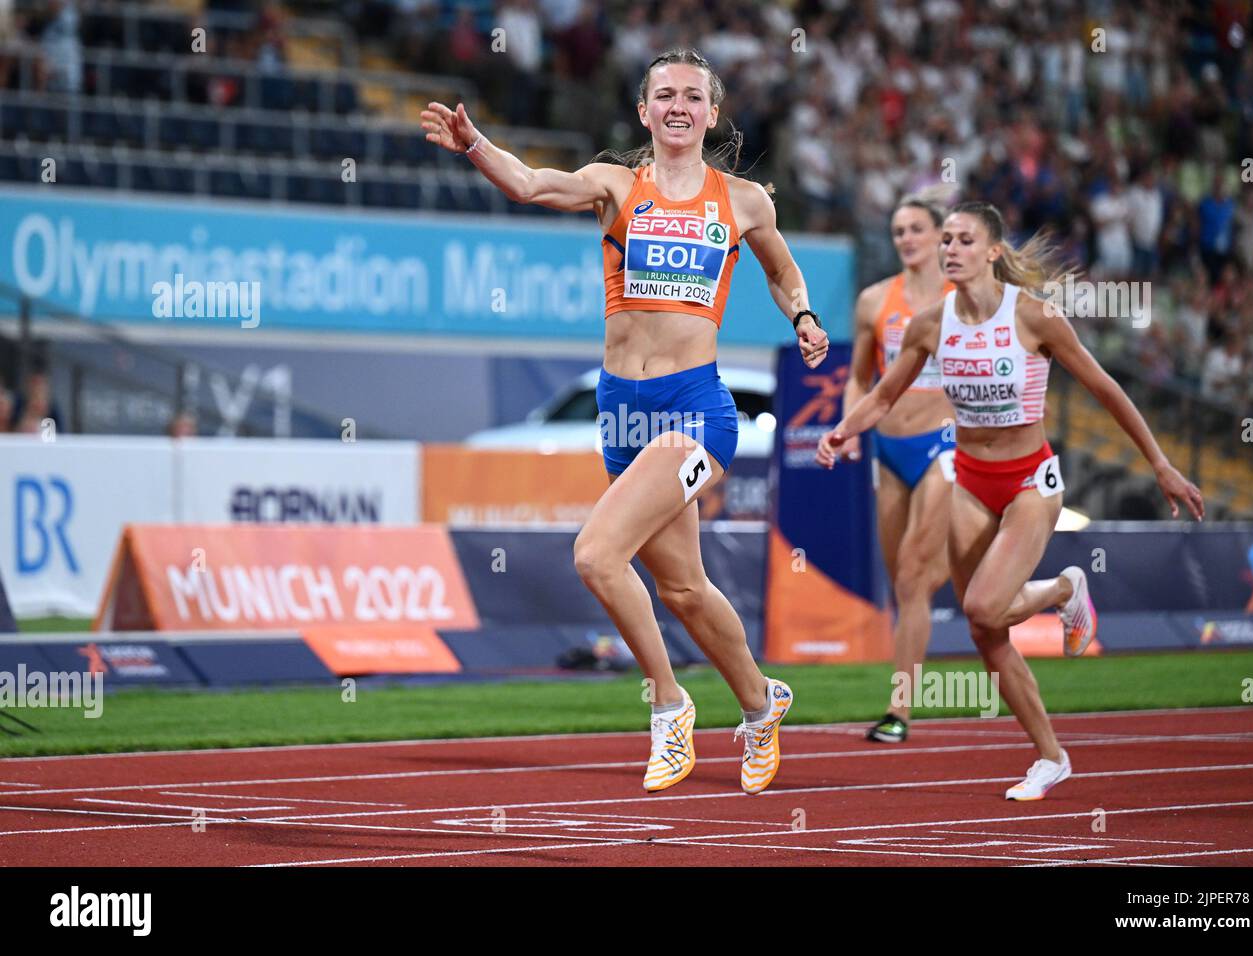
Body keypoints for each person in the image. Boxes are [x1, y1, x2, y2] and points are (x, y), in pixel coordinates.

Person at [421, 48, 829, 794]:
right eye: (664, 94)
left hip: (699, 411)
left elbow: (779, 268)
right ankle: (761, 701)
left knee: (597, 554)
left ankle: (669, 707)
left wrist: (801, 313)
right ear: (644, 111)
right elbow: (532, 183)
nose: (679, 106)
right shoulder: (616, 185)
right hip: (623, 410)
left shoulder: (744, 201)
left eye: (693, 96)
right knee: (683, 590)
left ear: (711, 112)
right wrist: (475, 144)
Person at [817, 201, 1203, 800]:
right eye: (945, 239)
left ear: (993, 251)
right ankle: (1051, 752)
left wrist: (1161, 464)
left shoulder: (1034, 318)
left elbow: (1104, 388)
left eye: (963, 239)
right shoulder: (929, 323)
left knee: (982, 606)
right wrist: (844, 431)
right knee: (985, 628)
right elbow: (883, 394)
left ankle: (1063, 591)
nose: (950, 248)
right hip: (970, 480)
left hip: (1029, 482)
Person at [841, 196, 954, 744]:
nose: (907, 238)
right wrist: (848, 428)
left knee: (913, 572)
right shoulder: (873, 301)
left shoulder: (966, 299)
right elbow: (860, 378)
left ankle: (900, 709)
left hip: (947, 444)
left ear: (939, 236)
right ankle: (1056, 592)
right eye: (898, 231)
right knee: (905, 583)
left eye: (916, 229)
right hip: (889, 448)